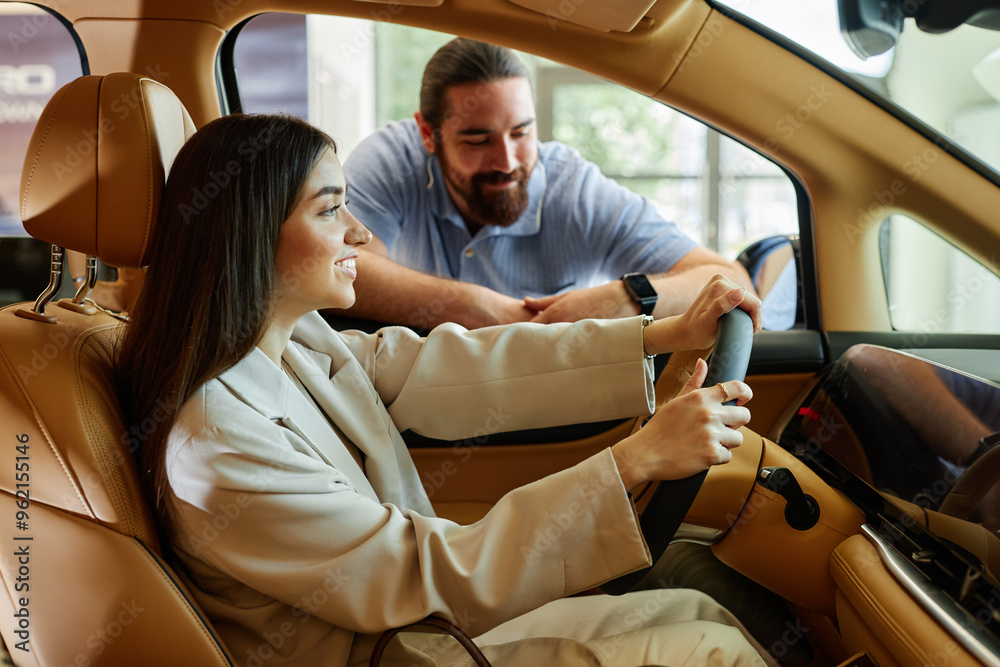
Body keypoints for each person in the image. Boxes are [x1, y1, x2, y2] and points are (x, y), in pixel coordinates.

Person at [116, 112, 770, 666]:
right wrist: (637, 459)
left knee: (696, 609)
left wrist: (661, 335)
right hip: (393, 650)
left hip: (412, 632)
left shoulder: (292, 340)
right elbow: (411, 573)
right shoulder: (217, 440)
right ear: (250, 232)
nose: (359, 233)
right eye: (329, 209)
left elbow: (455, 367)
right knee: (713, 651)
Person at [339, 38, 754, 331]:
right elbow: (341, 265)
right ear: (428, 134)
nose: (507, 161)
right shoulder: (392, 161)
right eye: (478, 140)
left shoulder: (575, 189)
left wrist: (624, 298)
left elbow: (729, 281)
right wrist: (481, 309)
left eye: (521, 133)